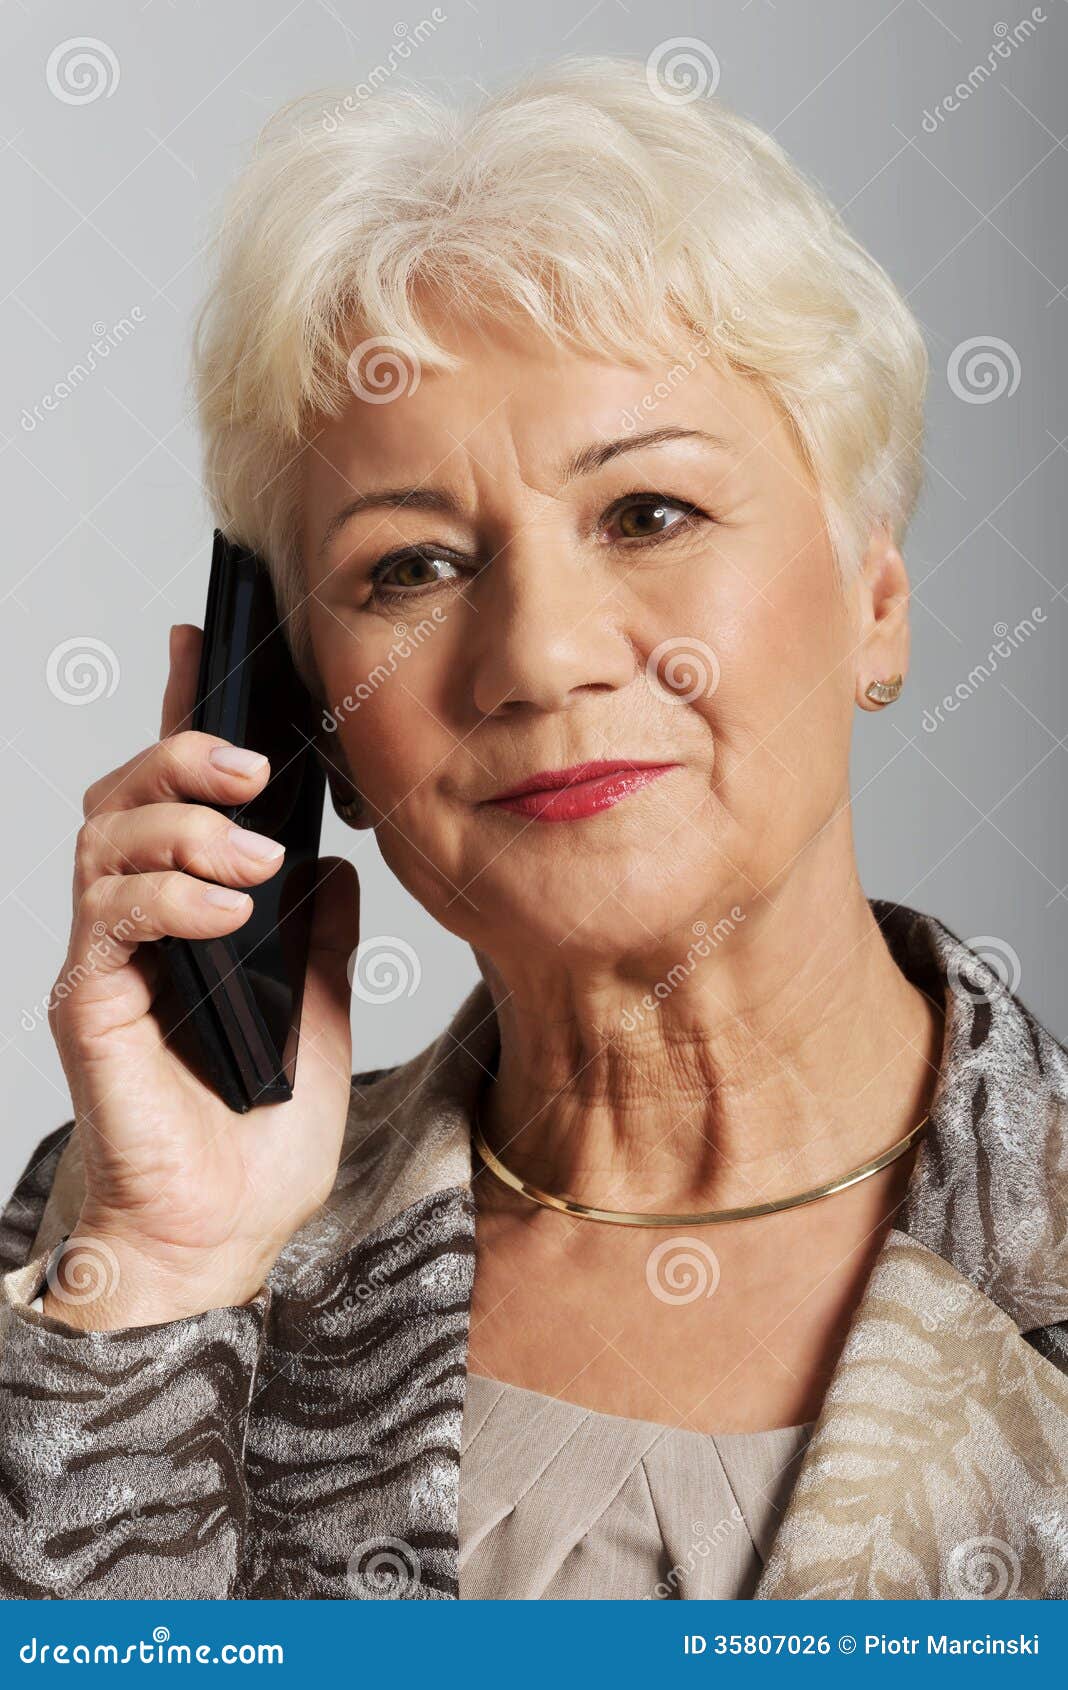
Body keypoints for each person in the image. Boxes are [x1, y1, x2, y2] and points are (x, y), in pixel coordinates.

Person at [2, 57, 1065, 1602]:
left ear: (876, 602)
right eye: (410, 568)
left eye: (648, 515)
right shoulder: (98, 1249)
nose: (538, 657)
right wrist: (167, 1274)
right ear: (310, 727)